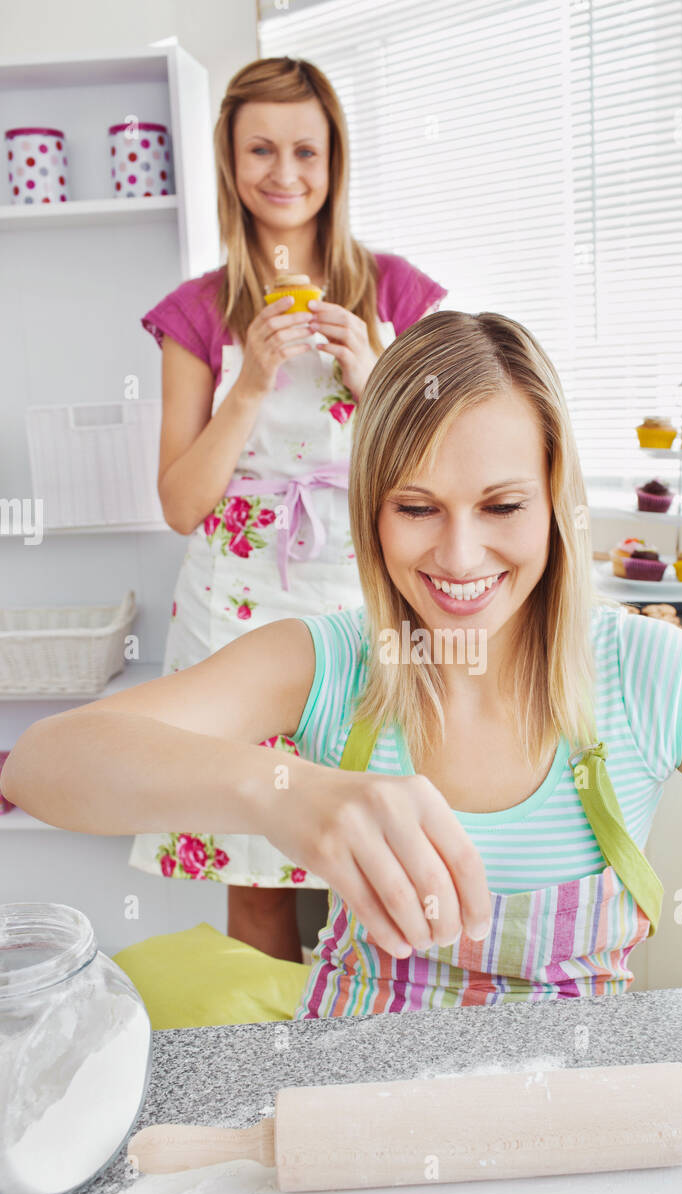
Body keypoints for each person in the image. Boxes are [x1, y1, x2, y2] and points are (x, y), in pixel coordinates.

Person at [5, 310, 682, 1160]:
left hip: (572, 1130)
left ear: (556, 497)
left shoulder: (653, 676)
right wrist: (282, 793)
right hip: (351, 1134)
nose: (459, 557)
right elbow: (47, 764)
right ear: (371, 511)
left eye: (501, 505)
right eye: (416, 507)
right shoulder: (330, 662)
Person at [128, 56, 446, 962]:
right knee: (258, 870)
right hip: (232, 622)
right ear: (230, 164)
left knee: (382, 865)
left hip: (362, 611)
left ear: (335, 161)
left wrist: (374, 375)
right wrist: (253, 382)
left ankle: (375, 1083)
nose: (284, 172)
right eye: (259, 149)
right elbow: (182, 504)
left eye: (306, 150)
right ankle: (269, 1088)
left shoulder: (393, 293)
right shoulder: (197, 312)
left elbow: (438, 477)